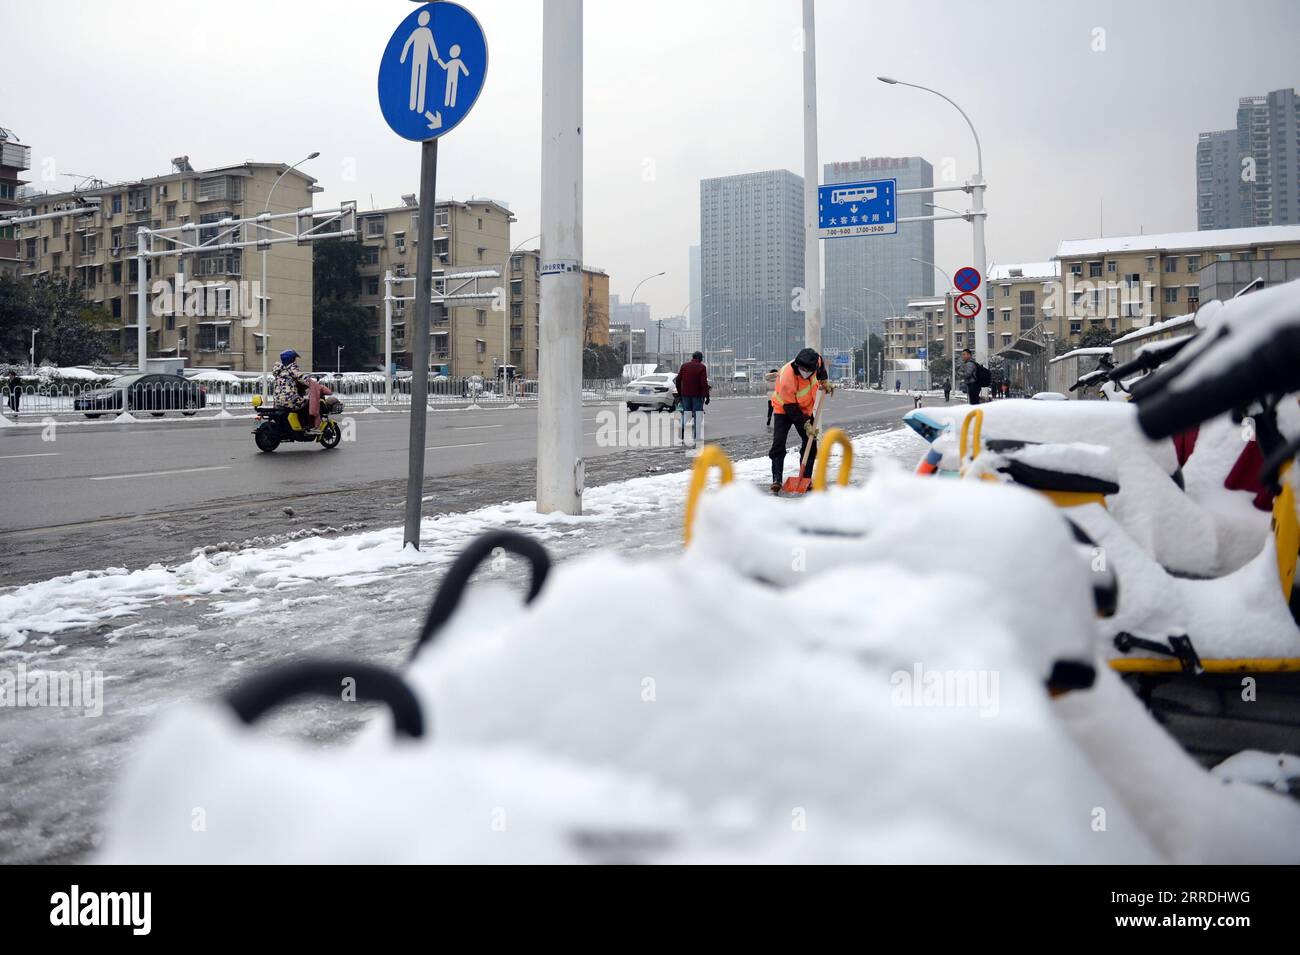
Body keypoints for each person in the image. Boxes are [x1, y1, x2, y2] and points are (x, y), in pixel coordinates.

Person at [769, 348, 834, 493]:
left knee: (810, 444)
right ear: (797, 366)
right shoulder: (788, 377)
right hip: (784, 408)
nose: (805, 371)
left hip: (805, 408)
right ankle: (777, 479)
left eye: (808, 370)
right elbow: (791, 408)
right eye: (802, 369)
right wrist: (806, 424)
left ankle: (806, 478)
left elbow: (821, 364)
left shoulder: (815, 362)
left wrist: (824, 381)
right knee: (778, 443)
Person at [675, 351, 710, 444]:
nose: (702, 360)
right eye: (701, 358)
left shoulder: (684, 366)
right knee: (697, 416)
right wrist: (707, 396)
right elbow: (704, 383)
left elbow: (677, 380)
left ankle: (681, 433)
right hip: (697, 396)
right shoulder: (702, 367)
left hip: (685, 395)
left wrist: (680, 393)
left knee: (686, 414)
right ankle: (696, 438)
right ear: (699, 358)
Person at [272, 349, 309, 413]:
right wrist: (312, 382)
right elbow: (303, 379)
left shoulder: (279, 371)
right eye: (295, 359)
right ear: (292, 360)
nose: (295, 361)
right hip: (290, 401)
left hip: (277, 402)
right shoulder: (292, 368)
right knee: (308, 404)